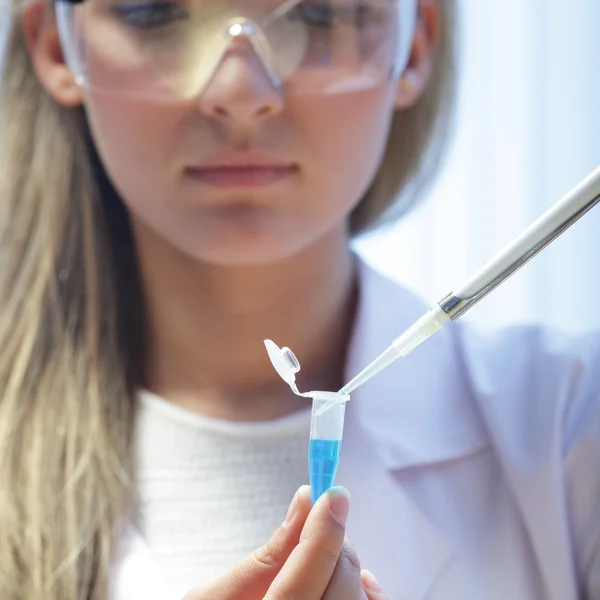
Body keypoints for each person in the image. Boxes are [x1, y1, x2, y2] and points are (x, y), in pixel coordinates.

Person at [1, 0, 599, 598]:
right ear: (57, 45)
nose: (239, 91)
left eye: (315, 13)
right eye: (157, 13)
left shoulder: (573, 428)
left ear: (413, 43)